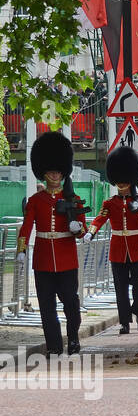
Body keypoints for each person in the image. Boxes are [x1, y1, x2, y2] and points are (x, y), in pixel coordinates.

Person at [17, 132, 87, 355]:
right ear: (43, 173)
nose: (55, 175)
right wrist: (21, 249)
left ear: (63, 172)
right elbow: (27, 226)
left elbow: (82, 229)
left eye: (58, 171)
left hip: (66, 259)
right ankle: (54, 345)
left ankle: (73, 338)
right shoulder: (36, 201)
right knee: (47, 308)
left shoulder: (72, 199)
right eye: (50, 171)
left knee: (71, 304)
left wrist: (77, 229)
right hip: (44, 260)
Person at [87, 146, 138, 335]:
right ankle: (125, 322)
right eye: (119, 181)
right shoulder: (110, 203)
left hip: (137, 247)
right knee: (120, 290)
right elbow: (100, 218)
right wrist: (91, 232)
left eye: (125, 180)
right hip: (118, 250)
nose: (122, 184)